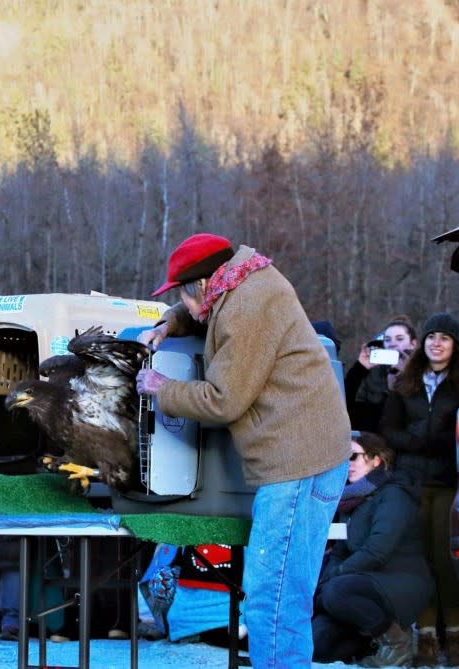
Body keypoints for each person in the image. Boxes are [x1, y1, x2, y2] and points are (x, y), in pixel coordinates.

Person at [135, 232, 351, 668]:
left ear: (205, 285)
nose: (185, 302)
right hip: (305, 456)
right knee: (282, 598)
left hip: (297, 463)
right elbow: (198, 311)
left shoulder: (247, 308)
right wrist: (170, 322)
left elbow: (223, 399)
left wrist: (163, 388)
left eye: (183, 293)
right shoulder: (243, 281)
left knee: (273, 602)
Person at [380, 312, 459, 666]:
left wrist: (434, 443)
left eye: (445, 337)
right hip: (410, 483)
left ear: (455, 345)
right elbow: (388, 429)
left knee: (447, 562)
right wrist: (418, 442)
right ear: (422, 343)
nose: (436, 343)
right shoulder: (404, 383)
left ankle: (454, 636)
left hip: (450, 483)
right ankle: (424, 637)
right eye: (431, 336)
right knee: (418, 563)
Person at [312, 431, 431, 667]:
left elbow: (378, 551)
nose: (347, 465)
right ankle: (371, 644)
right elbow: (339, 552)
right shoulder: (353, 501)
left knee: (336, 591)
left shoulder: (395, 494)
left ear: (376, 460)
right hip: (364, 581)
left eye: (353, 457)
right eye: (342, 459)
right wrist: (325, 582)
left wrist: (335, 577)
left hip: (400, 581)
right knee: (318, 645)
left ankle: (397, 644)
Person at [345, 315, 418, 432]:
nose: (393, 344)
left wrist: (405, 377)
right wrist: (360, 368)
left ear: (413, 344)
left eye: (399, 339)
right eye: (387, 339)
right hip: (374, 439)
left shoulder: (423, 372)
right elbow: (346, 405)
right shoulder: (373, 372)